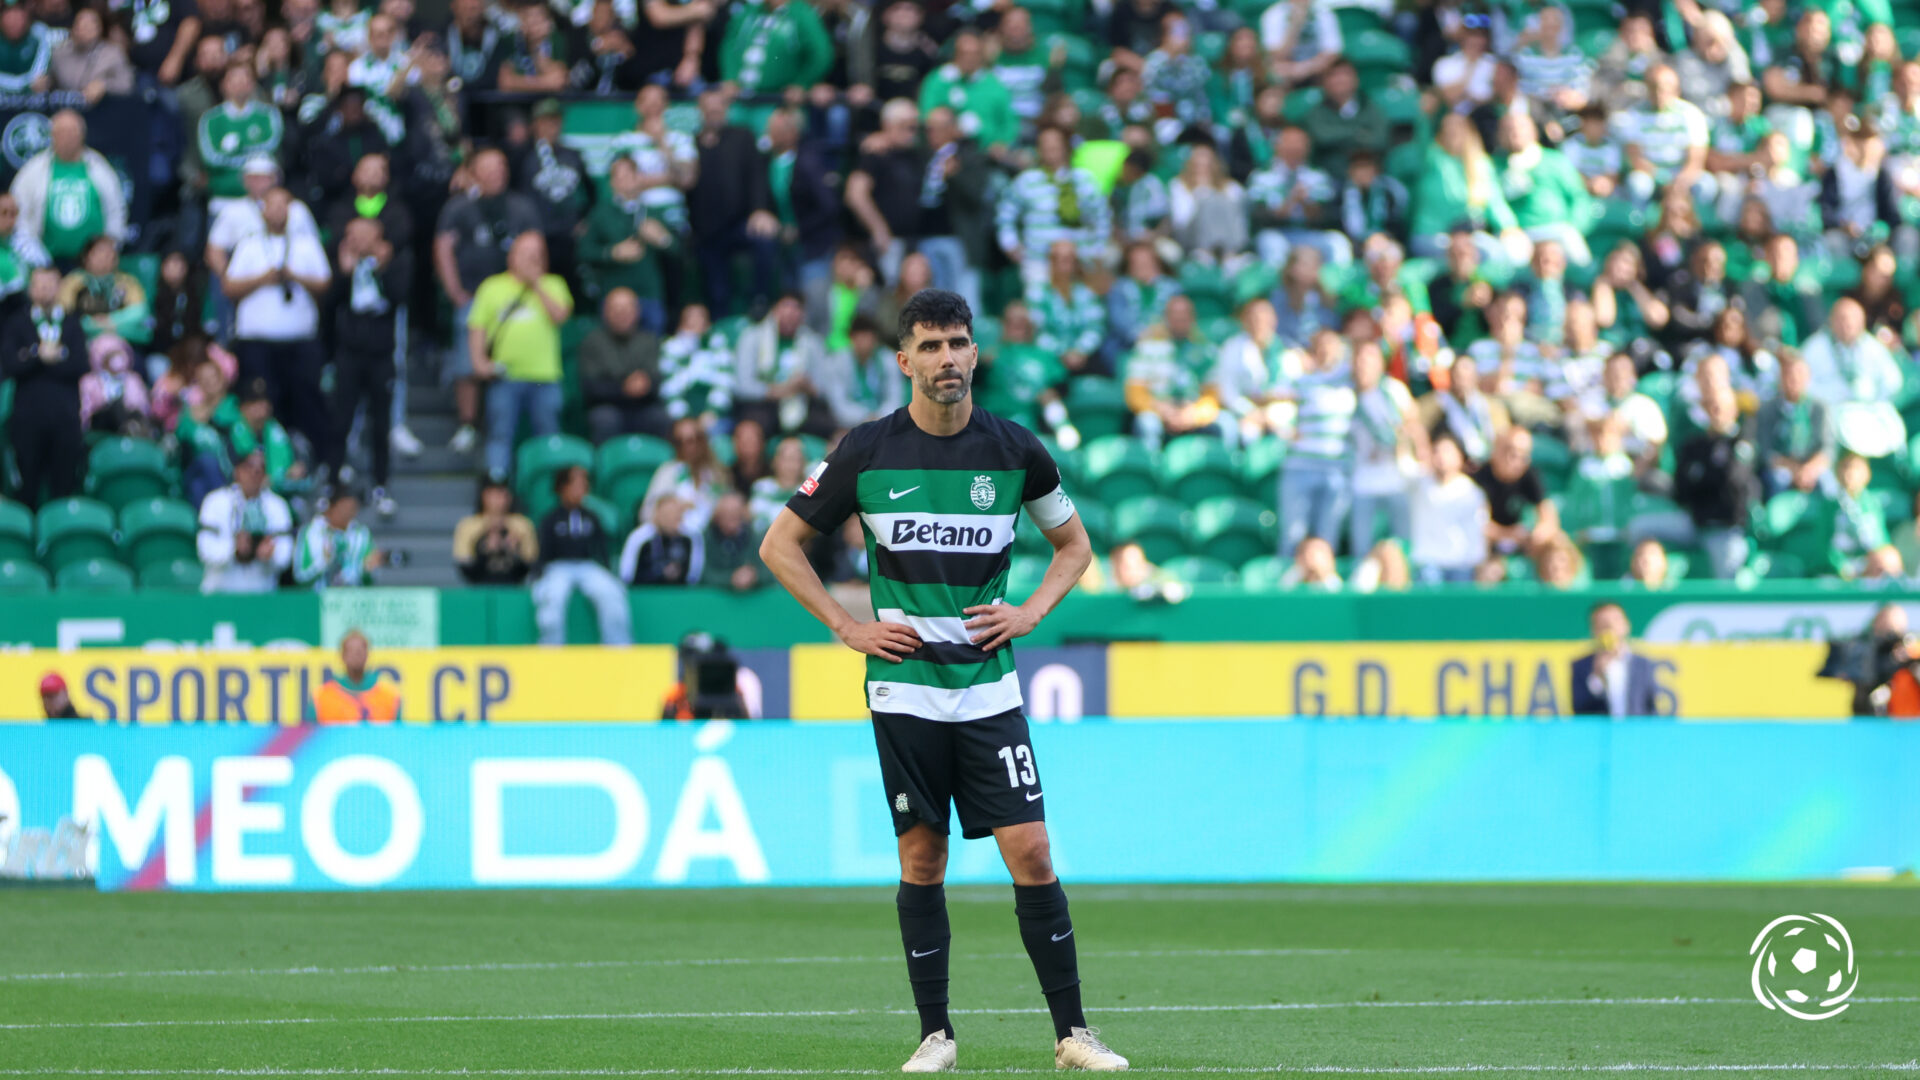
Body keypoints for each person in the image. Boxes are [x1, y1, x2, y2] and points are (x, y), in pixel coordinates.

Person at [759, 288, 1124, 1075]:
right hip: (905, 689)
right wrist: (848, 627)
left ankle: (1074, 1035)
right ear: (904, 362)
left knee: (1031, 848)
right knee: (922, 859)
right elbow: (780, 545)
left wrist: (1029, 613)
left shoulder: (1018, 450)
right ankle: (936, 1035)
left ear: (975, 353)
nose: (947, 359)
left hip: (990, 687)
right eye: (929, 347)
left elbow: (1075, 548)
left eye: (957, 343)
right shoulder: (865, 450)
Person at [436, 148, 543, 453]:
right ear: (474, 172)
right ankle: (468, 424)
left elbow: (538, 248)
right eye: (489, 166)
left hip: (516, 297)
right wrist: (454, 291)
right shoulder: (459, 207)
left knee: (510, 364)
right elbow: (443, 248)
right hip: (473, 294)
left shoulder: (521, 206)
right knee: (468, 363)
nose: (497, 172)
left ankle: (502, 426)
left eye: (501, 165)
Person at [225, 187, 332, 455]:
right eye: (271, 205)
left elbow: (324, 283)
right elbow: (229, 286)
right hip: (256, 343)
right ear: (262, 210)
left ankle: (311, 457)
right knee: (262, 400)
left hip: (300, 342)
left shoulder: (307, 243)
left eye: (283, 205)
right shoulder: (249, 244)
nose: (277, 211)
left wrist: (294, 276)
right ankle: (259, 456)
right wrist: (263, 279)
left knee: (306, 398)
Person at [469, 231, 572, 481]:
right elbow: (476, 328)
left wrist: (536, 284)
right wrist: (479, 362)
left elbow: (560, 316)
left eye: (537, 255)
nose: (532, 260)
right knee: (500, 435)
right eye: (526, 254)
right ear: (512, 256)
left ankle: (547, 488)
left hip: (544, 376)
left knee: (548, 438)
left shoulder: (554, 284)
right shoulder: (492, 287)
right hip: (505, 375)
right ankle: (497, 487)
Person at [329, 213, 407, 515]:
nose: (357, 242)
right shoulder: (341, 263)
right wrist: (345, 273)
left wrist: (380, 268)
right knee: (341, 419)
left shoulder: (397, 263)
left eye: (364, 235)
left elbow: (399, 297)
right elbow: (330, 302)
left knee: (380, 423)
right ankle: (333, 480)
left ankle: (381, 484)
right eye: (352, 235)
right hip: (348, 353)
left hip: (380, 355)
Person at [0, 266, 89, 507]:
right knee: (26, 488)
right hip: (28, 418)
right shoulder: (16, 322)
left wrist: (45, 360)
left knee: (63, 486)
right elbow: (10, 363)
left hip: (65, 418)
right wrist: (38, 355)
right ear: (31, 288)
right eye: (40, 285)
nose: (45, 290)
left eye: (50, 285)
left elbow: (80, 364)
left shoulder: (72, 323)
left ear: (59, 287)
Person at [9, 111, 128, 267]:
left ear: (83, 135)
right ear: (52, 135)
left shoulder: (100, 168)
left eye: (73, 131)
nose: (68, 137)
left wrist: (108, 248)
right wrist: (36, 259)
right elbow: (17, 214)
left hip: (92, 264)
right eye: (62, 132)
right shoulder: (32, 171)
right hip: (45, 262)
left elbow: (115, 209)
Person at [532, 465, 631, 646]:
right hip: (558, 567)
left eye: (583, 485)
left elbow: (601, 549)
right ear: (562, 487)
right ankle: (550, 653)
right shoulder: (550, 519)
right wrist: (539, 573)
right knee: (552, 600)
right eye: (575, 484)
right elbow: (543, 552)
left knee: (611, 594)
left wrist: (606, 571)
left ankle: (619, 651)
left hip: (587, 566)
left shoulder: (592, 517)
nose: (580, 490)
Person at [197, 450, 295, 594]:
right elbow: (205, 550)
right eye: (250, 467)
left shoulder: (277, 506)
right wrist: (233, 548)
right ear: (237, 471)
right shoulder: (215, 501)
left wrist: (271, 554)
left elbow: (285, 554)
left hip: (261, 595)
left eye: (261, 469)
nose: (255, 473)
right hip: (221, 593)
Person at [581, 287, 668, 443]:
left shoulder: (648, 340)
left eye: (627, 308)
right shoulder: (593, 342)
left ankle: (663, 467)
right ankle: (606, 466)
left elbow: (656, 380)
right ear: (605, 312)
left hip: (642, 406)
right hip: (609, 406)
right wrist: (623, 388)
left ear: (636, 312)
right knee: (604, 419)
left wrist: (645, 384)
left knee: (660, 418)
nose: (622, 314)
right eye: (616, 309)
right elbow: (591, 386)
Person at [1408, 434, 1488, 583]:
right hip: (1427, 564)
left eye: (1447, 451)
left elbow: (1478, 530)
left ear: (1460, 457)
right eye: (1436, 451)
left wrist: (1478, 562)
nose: (1441, 457)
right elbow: (1404, 464)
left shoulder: (1472, 492)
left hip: (1461, 565)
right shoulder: (1419, 483)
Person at [1570, 601, 1661, 718]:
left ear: (1626, 625)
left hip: (1635, 732)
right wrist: (1597, 678)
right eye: (1603, 624)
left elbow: (1652, 707)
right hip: (1599, 733)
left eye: (1615, 621)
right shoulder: (1582, 666)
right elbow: (1580, 710)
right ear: (1594, 630)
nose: (1610, 627)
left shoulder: (1643, 664)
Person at [293, 487, 387, 589]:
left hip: (352, 599)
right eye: (344, 509)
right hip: (316, 599)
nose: (348, 514)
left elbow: (370, 579)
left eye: (352, 509)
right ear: (331, 508)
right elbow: (300, 577)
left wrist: (366, 570)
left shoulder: (362, 534)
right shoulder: (310, 532)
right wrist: (323, 562)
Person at [453, 478, 540, 585]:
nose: (500, 498)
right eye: (494, 493)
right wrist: (485, 550)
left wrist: (514, 553)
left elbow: (531, 564)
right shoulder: (468, 525)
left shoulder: (523, 524)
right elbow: (465, 567)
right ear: (484, 495)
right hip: (479, 587)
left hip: (514, 586)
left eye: (503, 492)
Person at [304, 629, 402, 724]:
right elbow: (309, 736)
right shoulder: (322, 697)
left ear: (367, 654)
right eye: (350, 651)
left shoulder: (389, 697)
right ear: (342, 655)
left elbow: (398, 735)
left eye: (359, 651)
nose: (356, 655)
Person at [619, 493, 701, 585]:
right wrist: (659, 574)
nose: (675, 518)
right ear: (657, 514)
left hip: (680, 593)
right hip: (645, 592)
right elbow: (626, 575)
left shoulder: (689, 538)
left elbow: (694, 575)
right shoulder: (640, 538)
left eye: (678, 514)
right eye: (669, 514)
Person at [699, 490, 766, 591]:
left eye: (736, 513)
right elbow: (702, 573)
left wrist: (753, 576)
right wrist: (731, 578)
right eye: (726, 514)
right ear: (717, 516)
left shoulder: (755, 537)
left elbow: (769, 573)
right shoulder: (705, 539)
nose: (731, 517)